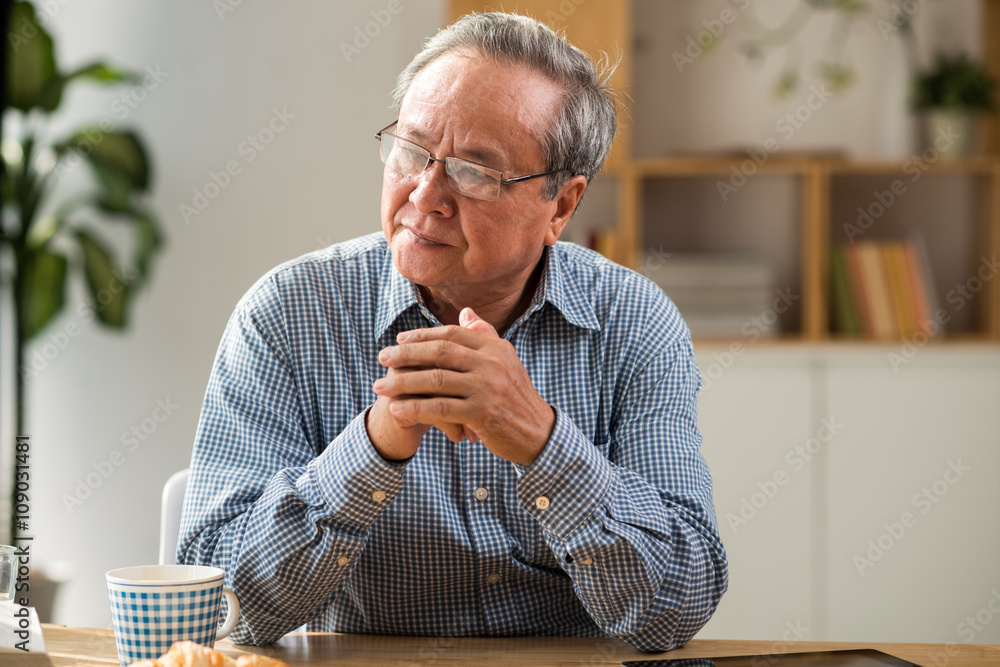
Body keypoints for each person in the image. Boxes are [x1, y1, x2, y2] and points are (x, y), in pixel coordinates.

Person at [179, 11, 727, 652]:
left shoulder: (634, 323)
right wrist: (375, 447)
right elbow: (218, 607)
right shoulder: (287, 314)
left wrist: (542, 441)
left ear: (562, 206)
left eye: (476, 171)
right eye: (412, 150)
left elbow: (678, 606)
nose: (425, 194)